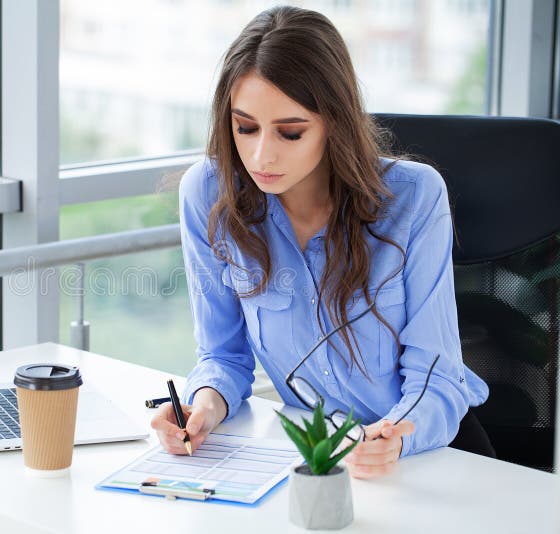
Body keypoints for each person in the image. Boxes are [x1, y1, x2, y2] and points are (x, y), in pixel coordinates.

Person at [151, 5, 493, 479]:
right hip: (320, 460)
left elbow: (437, 378)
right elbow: (223, 357)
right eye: (244, 127)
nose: (261, 154)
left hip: (426, 456)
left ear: (334, 121)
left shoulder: (415, 197)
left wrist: (394, 435)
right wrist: (203, 407)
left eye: (290, 132)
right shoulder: (209, 196)